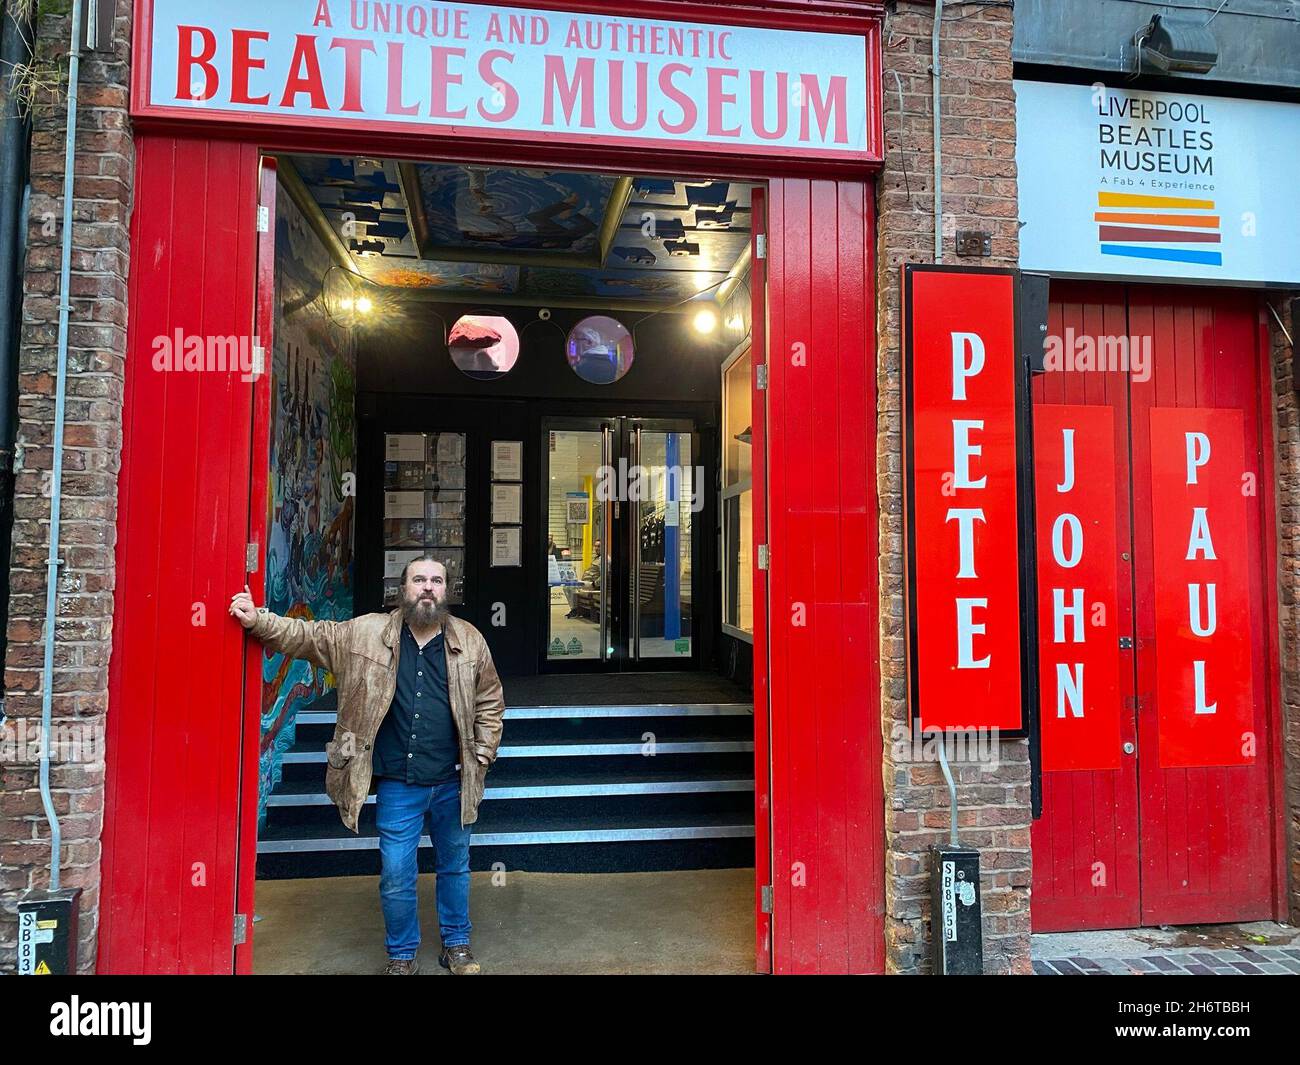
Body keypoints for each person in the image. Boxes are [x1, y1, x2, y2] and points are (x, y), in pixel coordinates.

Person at [229, 556, 504, 976]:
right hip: (399, 782)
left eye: (436, 580)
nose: (428, 588)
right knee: (396, 872)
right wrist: (257, 621)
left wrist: (482, 754)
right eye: (418, 580)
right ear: (402, 588)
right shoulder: (366, 633)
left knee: (455, 866)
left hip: (454, 780)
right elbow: (308, 636)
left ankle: (457, 944)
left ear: (447, 590)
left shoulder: (470, 641)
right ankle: (401, 952)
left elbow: (490, 703)